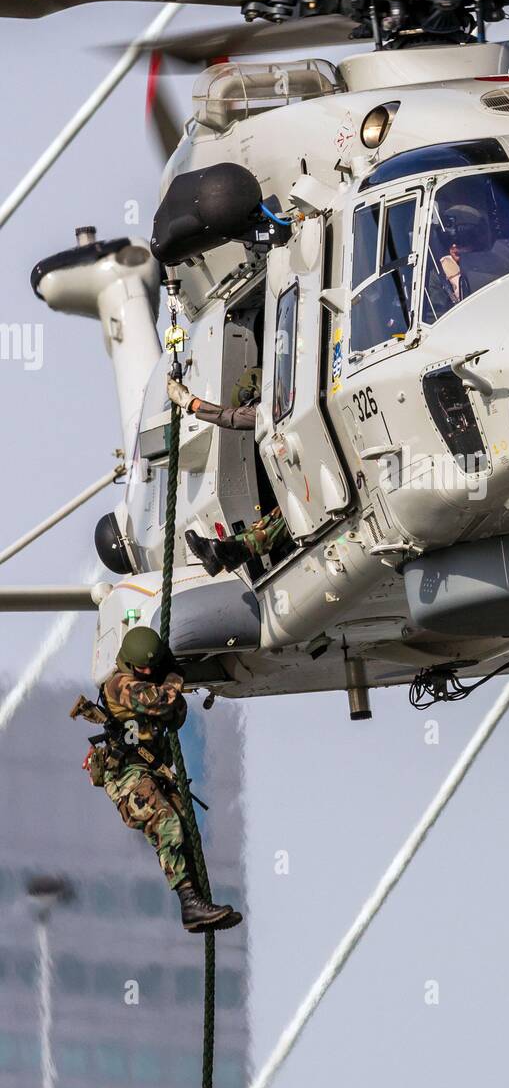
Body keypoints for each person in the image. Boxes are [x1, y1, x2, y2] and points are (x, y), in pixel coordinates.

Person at [71, 627, 241, 933]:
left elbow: (176, 715)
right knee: (167, 823)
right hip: (126, 774)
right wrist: (173, 679)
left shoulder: (151, 682)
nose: (147, 672)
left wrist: (171, 690)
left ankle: (198, 903)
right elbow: (161, 701)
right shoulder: (118, 684)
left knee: (188, 829)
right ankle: (189, 903)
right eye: (142, 668)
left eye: (151, 667)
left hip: (153, 769)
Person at [166, 369, 290, 576]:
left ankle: (233, 552)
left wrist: (191, 403)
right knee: (277, 516)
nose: (251, 411)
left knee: (283, 518)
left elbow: (230, 417)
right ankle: (223, 553)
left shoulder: (279, 404)